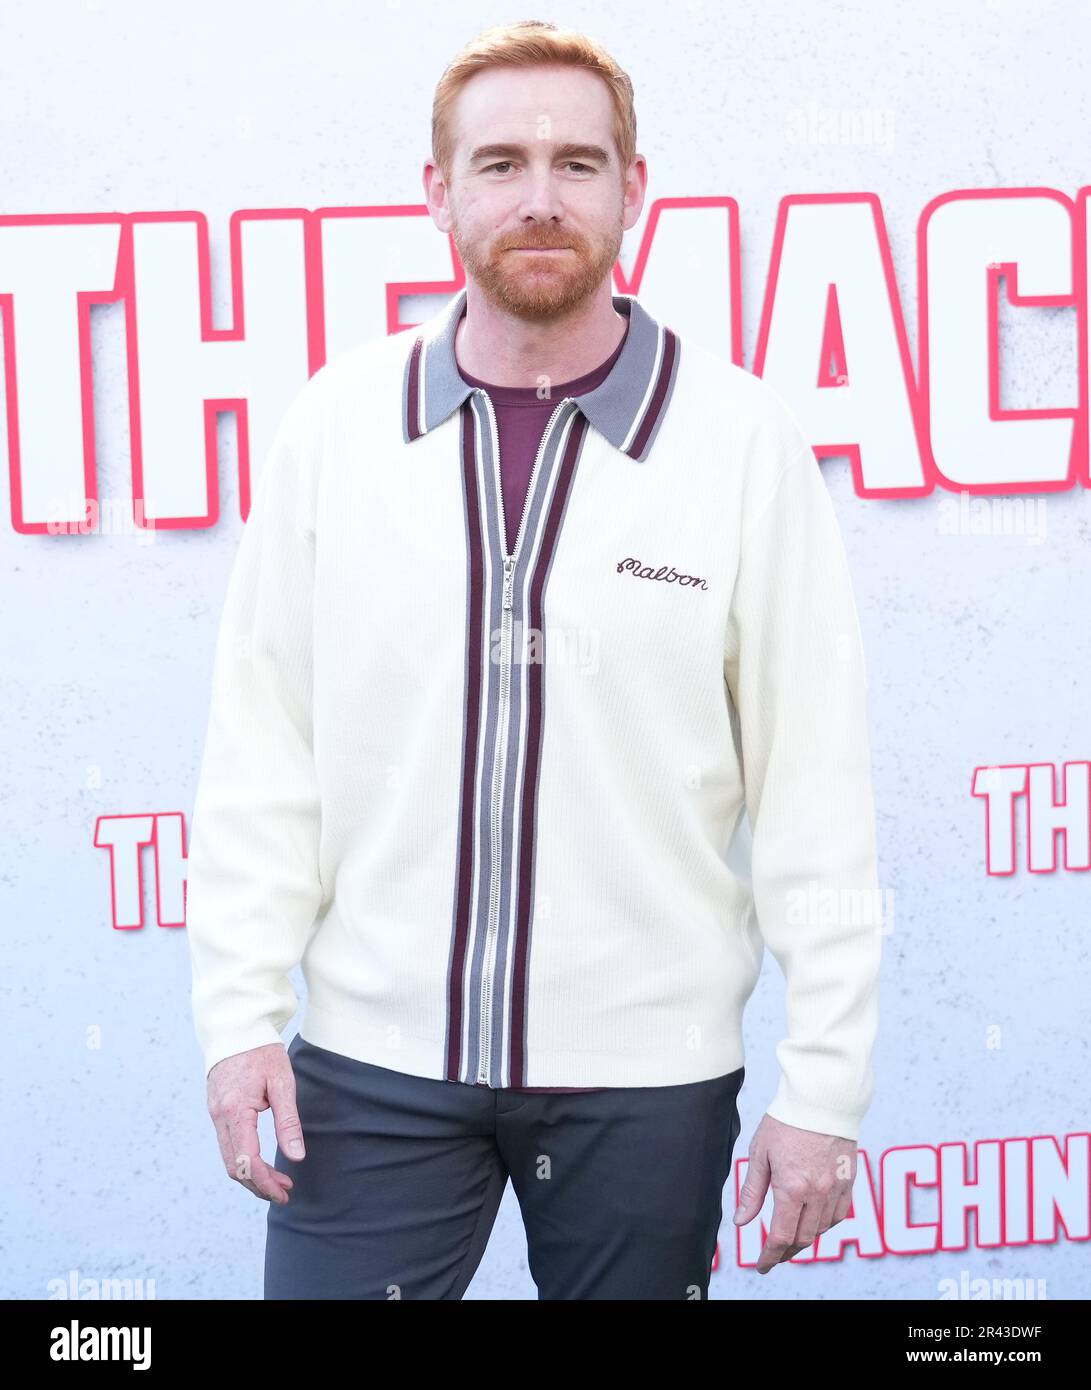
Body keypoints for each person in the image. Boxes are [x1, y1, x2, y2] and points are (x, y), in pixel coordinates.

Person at [185, 19, 884, 1300]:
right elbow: (260, 750)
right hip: (372, 1068)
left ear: (633, 188)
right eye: (499, 162)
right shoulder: (338, 430)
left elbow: (814, 790)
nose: (540, 197)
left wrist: (823, 1092)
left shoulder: (736, 441)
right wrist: (237, 1024)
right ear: (438, 191)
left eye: (577, 162)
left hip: (645, 1085)